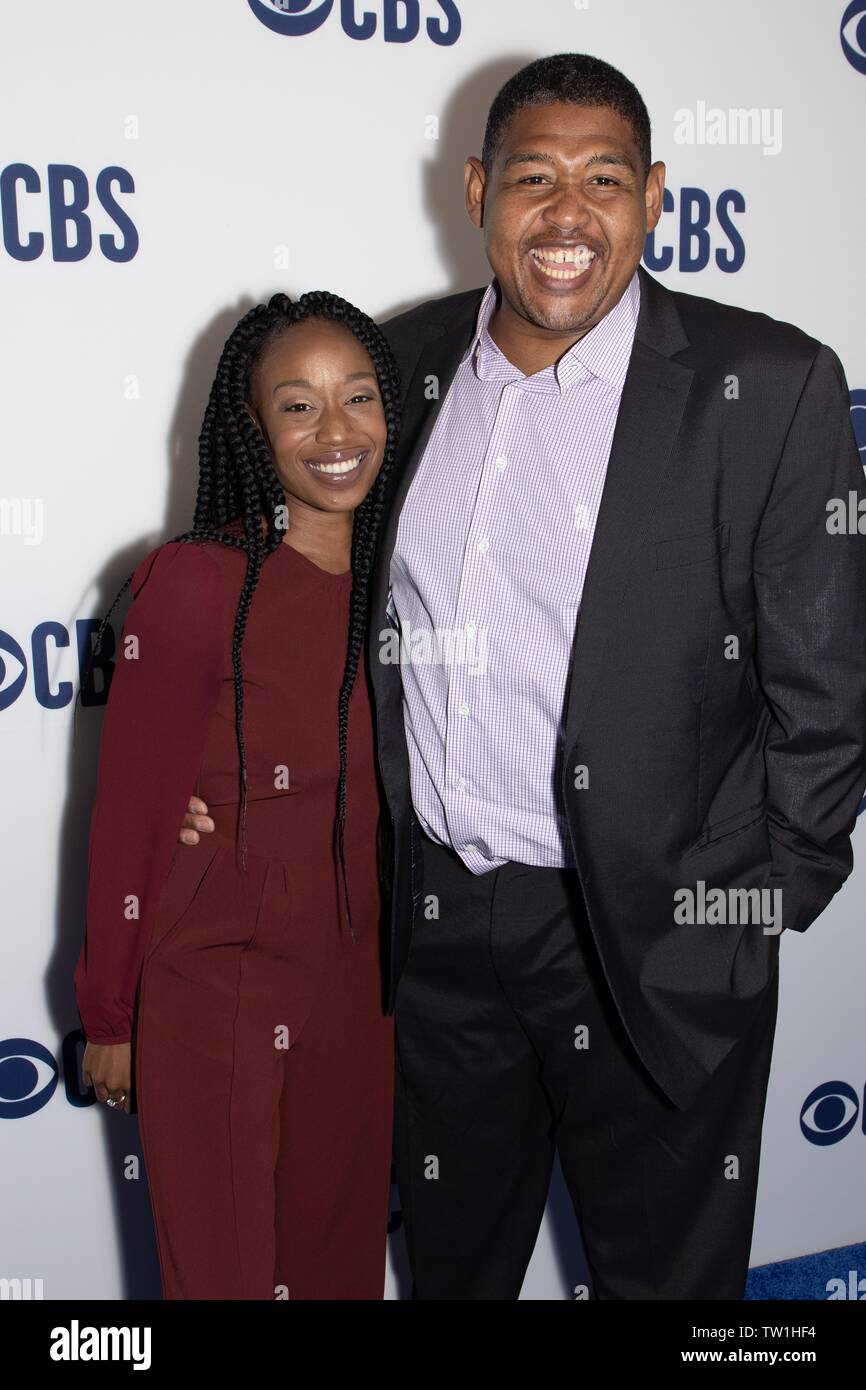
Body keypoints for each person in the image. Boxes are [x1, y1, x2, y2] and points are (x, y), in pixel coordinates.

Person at [179, 54, 866, 1299]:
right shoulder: (401, 363)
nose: (566, 215)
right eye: (533, 178)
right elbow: (296, 602)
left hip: (653, 933)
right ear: (477, 191)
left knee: (668, 1282)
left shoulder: (766, 386)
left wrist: (747, 915)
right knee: (452, 1267)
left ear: (655, 198)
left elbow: (826, 690)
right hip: (436, 926)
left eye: (603, 179)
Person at [74, 290, 401, 1300]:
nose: (335, 431)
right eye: (297, 406)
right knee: (220, 1279)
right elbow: (131, 815)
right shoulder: (196, 581)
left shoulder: (413, 577)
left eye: (357, 397)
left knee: (337, 1269)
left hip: (363, 985)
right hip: (216, 978)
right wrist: (112, 1014)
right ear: (253, 431)